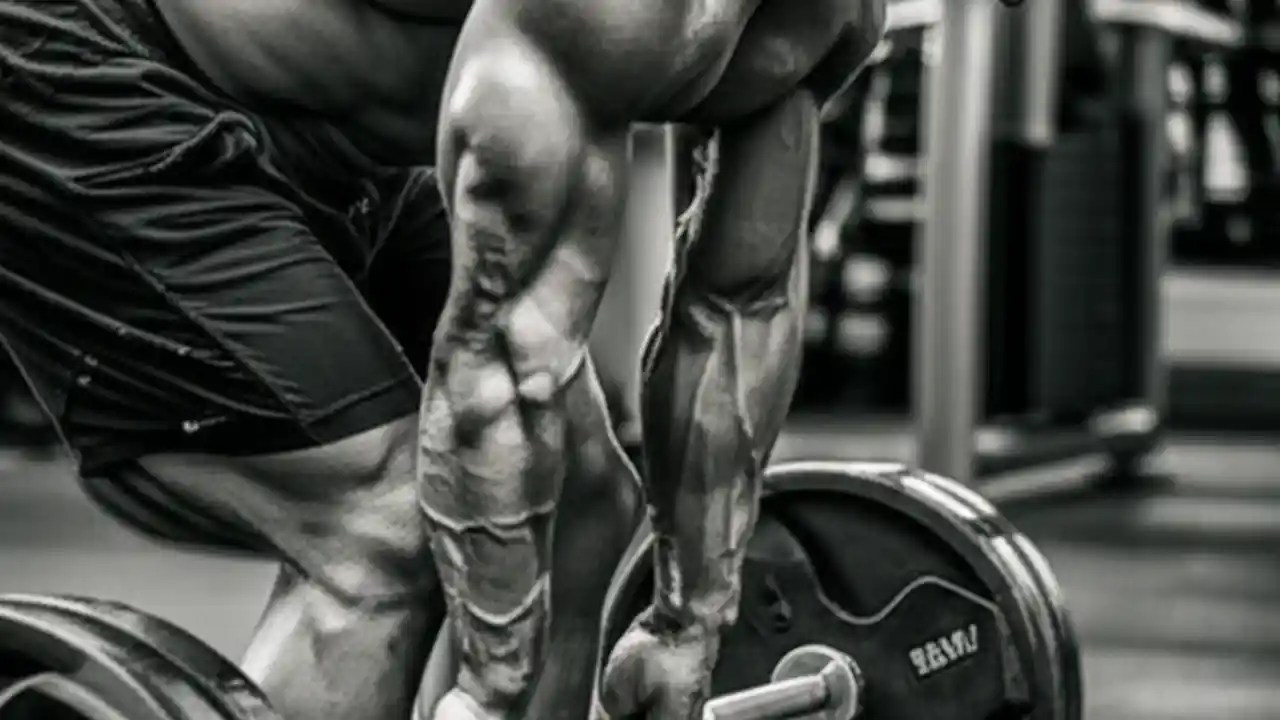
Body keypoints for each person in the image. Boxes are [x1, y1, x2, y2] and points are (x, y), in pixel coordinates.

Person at [0, 1, 883, 719]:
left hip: (336, 147)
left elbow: (739, 303)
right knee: (382, 534)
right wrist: (486, 695)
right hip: (85, 58)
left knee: (583, 507)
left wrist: (689, 621)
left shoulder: (827, 19)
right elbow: (500, 362)